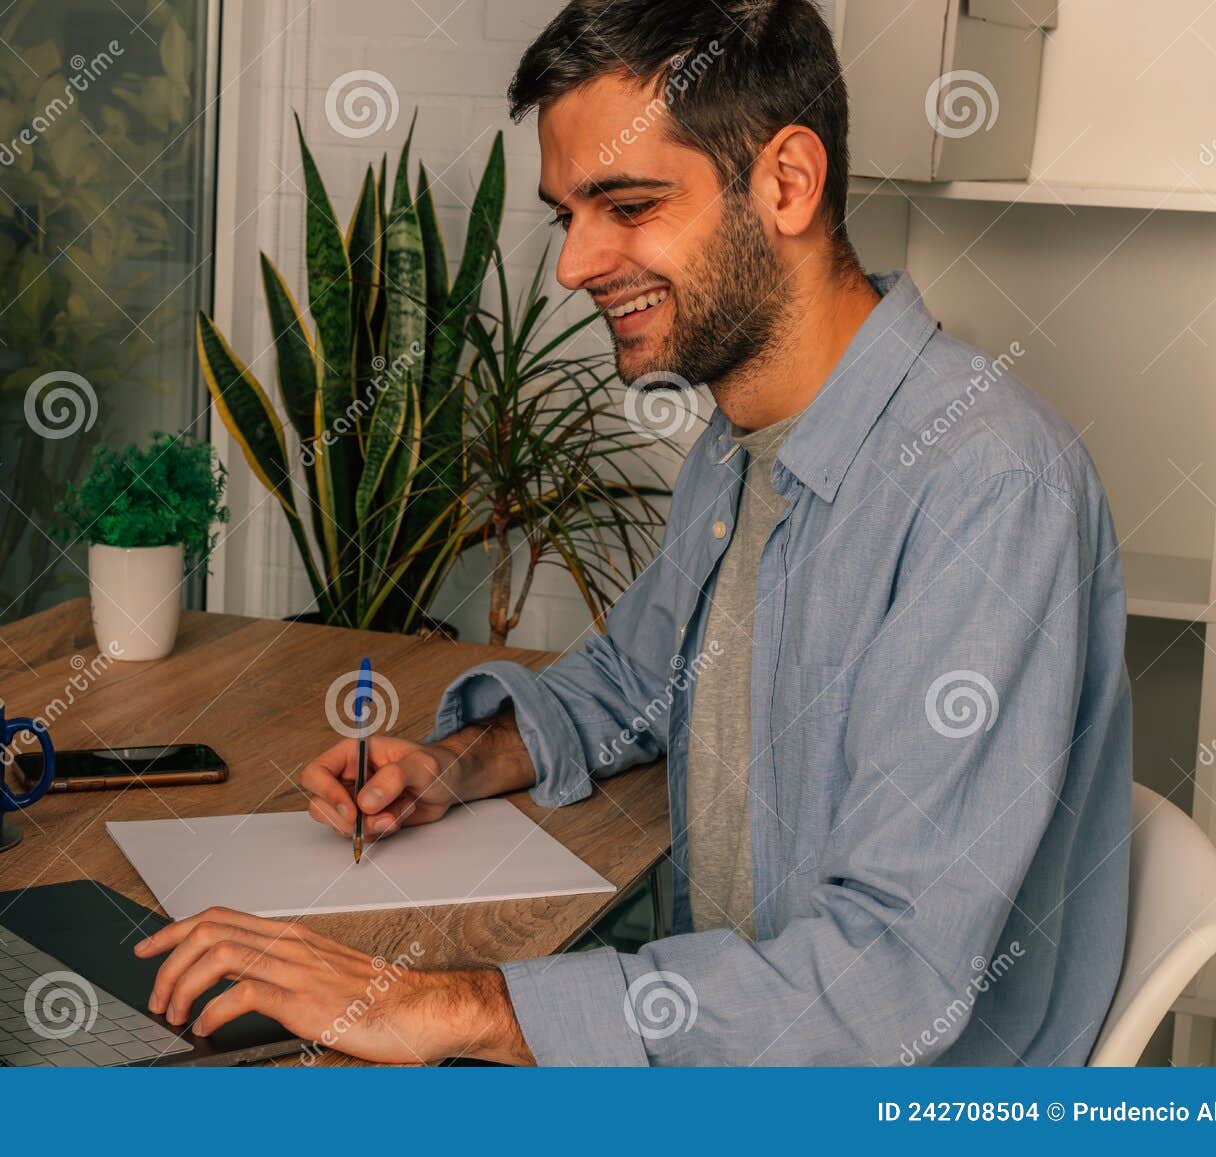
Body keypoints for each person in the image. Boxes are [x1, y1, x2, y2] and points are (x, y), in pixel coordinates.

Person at [135, 0, 1132, 1066]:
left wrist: (454, 1004)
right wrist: (455, 763)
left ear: (787, 183)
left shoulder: (988, 482)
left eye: (626, 203)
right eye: (569, 213)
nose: (573, 264)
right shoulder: (741, 432)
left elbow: (887, 981)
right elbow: (634, 680)